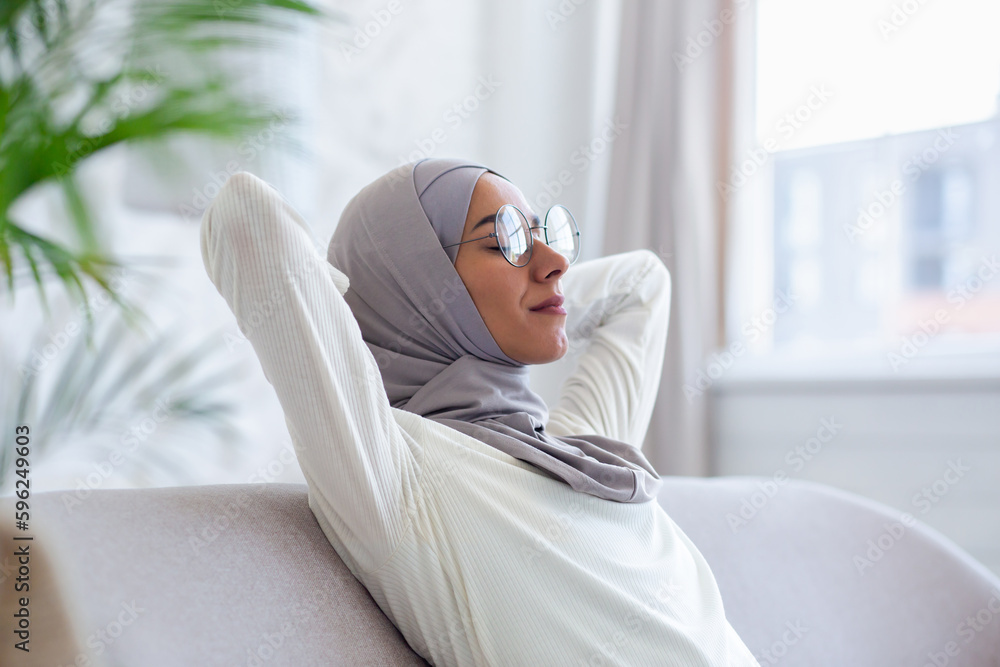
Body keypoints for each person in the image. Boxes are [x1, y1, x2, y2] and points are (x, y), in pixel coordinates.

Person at [200, 158, 760, 666]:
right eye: (506, 243)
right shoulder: (394, 474)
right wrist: (369, 313)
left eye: (542, 234)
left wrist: (526, 302)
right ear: (420, 282)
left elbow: (642, 285)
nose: (556, 262)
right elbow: (247, 217)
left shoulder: (575, 453)